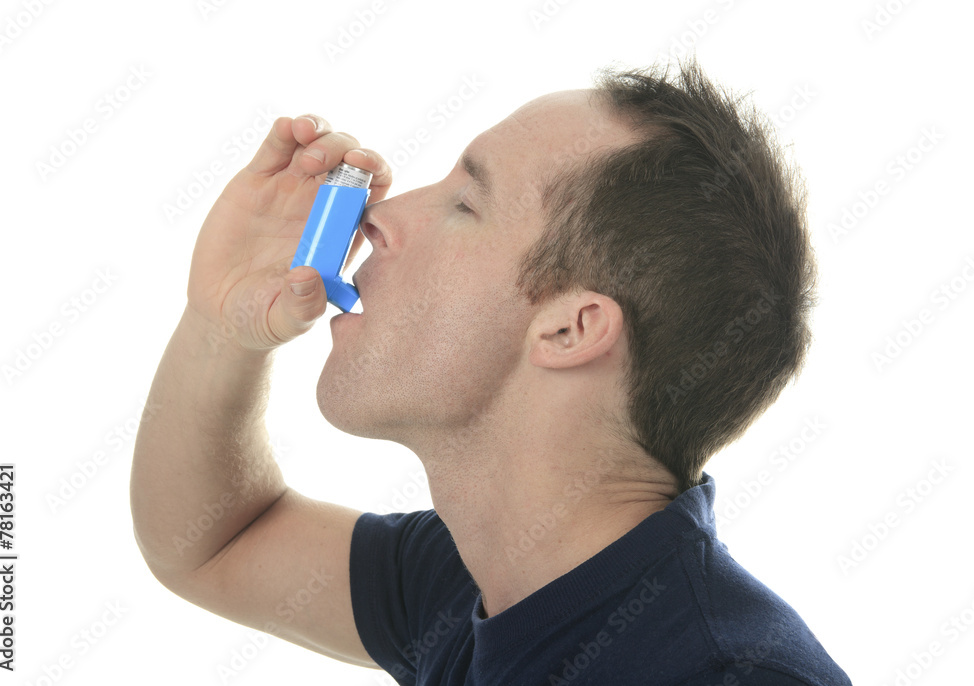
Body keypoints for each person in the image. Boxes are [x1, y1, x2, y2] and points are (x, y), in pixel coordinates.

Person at [131, 61, 852, 685]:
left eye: (465, 204)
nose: (380, 213)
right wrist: (221, 327)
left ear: (572, 328)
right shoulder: (472, 585)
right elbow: (213, 542)